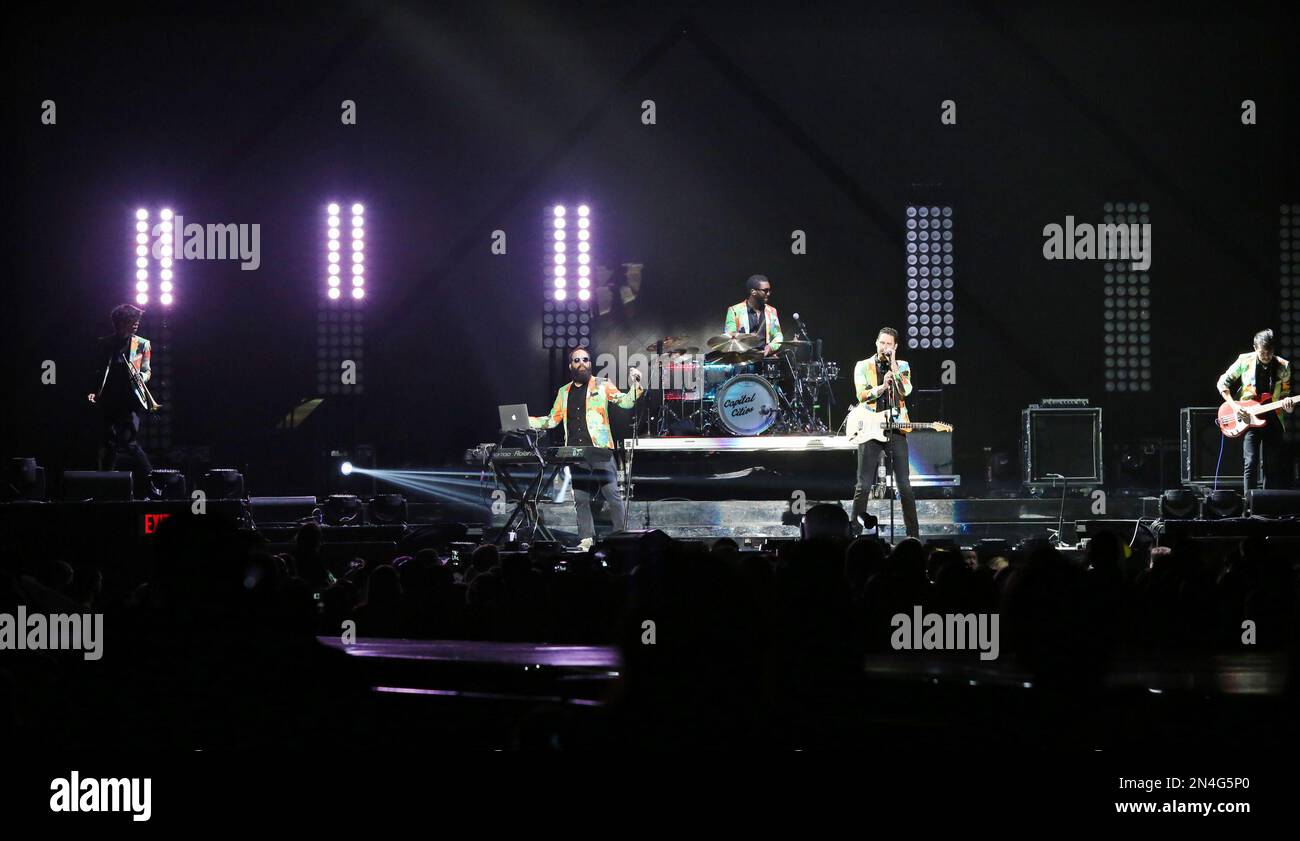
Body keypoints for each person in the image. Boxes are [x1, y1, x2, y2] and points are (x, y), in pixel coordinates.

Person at [530, 347, 643, 550]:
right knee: (581, 498)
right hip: (576, 453)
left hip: (600, 450)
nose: (581, 363)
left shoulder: (602, 384)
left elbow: (625, 403)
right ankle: (586, 539)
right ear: (571, 366)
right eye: (576, 360)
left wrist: (635, 384)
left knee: (613, 497)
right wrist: (527, 421)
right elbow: (553, 420)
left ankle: (621, 538)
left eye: (585, 359)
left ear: (590, 363)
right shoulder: (564, 392)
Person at [851, 327, 918, 539]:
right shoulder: (863, 366)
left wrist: (894, 366)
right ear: (876, 343)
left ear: (895, 347)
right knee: (863, 486)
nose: (885, 347)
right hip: (870, 428)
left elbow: (905, 391)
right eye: (882, 343)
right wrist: (881, 387)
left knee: (905, 486)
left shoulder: (903, 366)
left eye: (889, 344)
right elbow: (861, 394)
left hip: (895, 428)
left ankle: (913, 537)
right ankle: (853, 533)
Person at [87, 304, 154, 496]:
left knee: (129, 442)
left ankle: (152, 482)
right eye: (132, 321)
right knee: (107, 443)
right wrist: (93, 390)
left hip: (130, 400)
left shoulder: (143, 343)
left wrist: (143, 377)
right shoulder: (104, 343)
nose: (136, 324)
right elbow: (98, 370)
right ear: (120, 323)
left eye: (137, 321)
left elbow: (147, 369)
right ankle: (105, 487)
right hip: (108, 399)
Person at [1216, 328, 1295, 491]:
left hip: (1273, 418)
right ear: (1254, 348)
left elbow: (1285, 397)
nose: (1266, 356)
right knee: (1250, 462)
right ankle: (1248, 507)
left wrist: (1289, 406)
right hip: (1249, 418)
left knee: (1271, 464)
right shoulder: (1245, 361)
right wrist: (1235, 405)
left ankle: (1267, 504)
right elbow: (1222, 383)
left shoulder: (1283, 366)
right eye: (1262, 353)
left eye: (1269, 352)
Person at [723, 274, 783, 356]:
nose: (768, 293)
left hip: (764, 359)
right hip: (743, 360)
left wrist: (771, 347)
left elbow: (778, 335)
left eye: (769, 290)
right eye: (765, 290)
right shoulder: (734, 311)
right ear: (753, 292)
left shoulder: (771, 311)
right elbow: (730, 337)